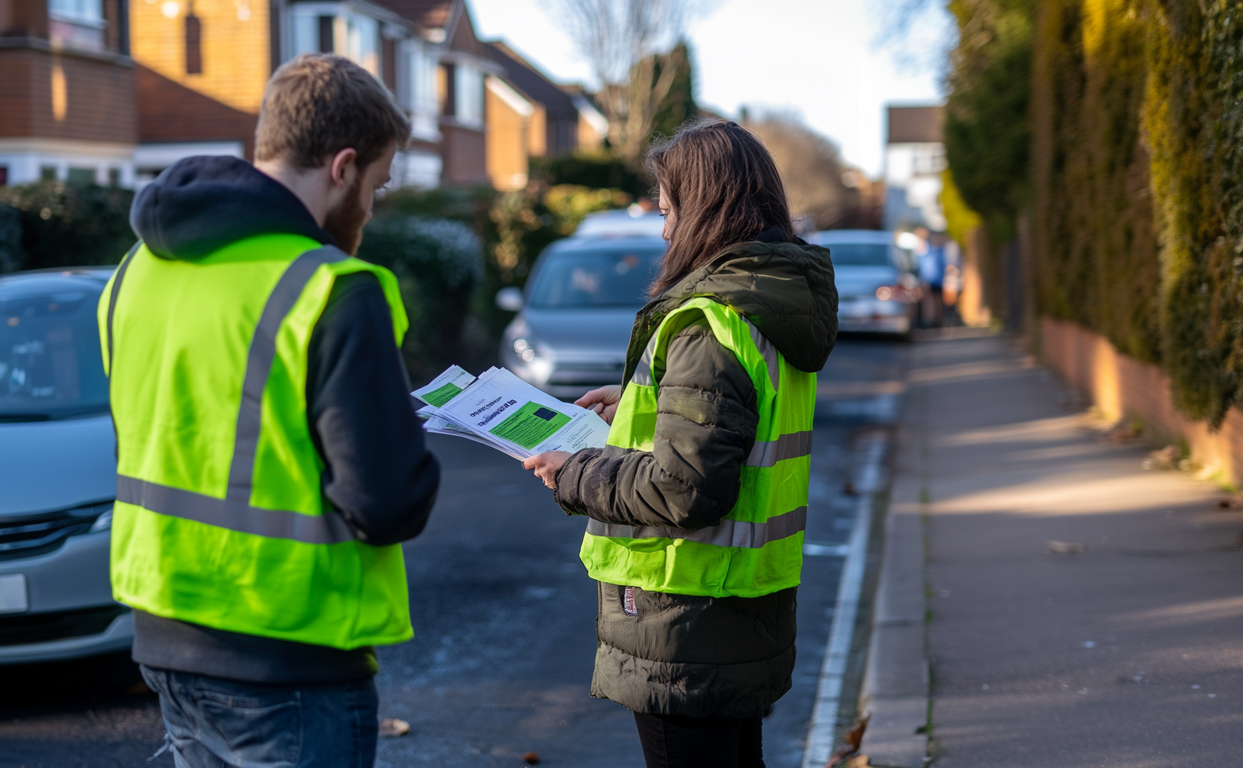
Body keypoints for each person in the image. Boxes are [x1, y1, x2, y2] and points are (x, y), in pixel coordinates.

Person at [98, 53, 440, 768]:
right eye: (376, 185)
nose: (371, 210)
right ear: (343, 167)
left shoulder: (136, 271)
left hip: (164, 636)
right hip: (291, 655)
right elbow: (386, 503)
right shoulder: (336, 291)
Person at [522, 118, 839, 768]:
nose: (664, 229)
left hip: (680, 611)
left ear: (705, 209)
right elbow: (735, 427)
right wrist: (641, 405)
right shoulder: (765, 306)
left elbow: (685, 486)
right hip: (740, 604)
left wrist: (574, 471)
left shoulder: (706, 322)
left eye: (669, 210)